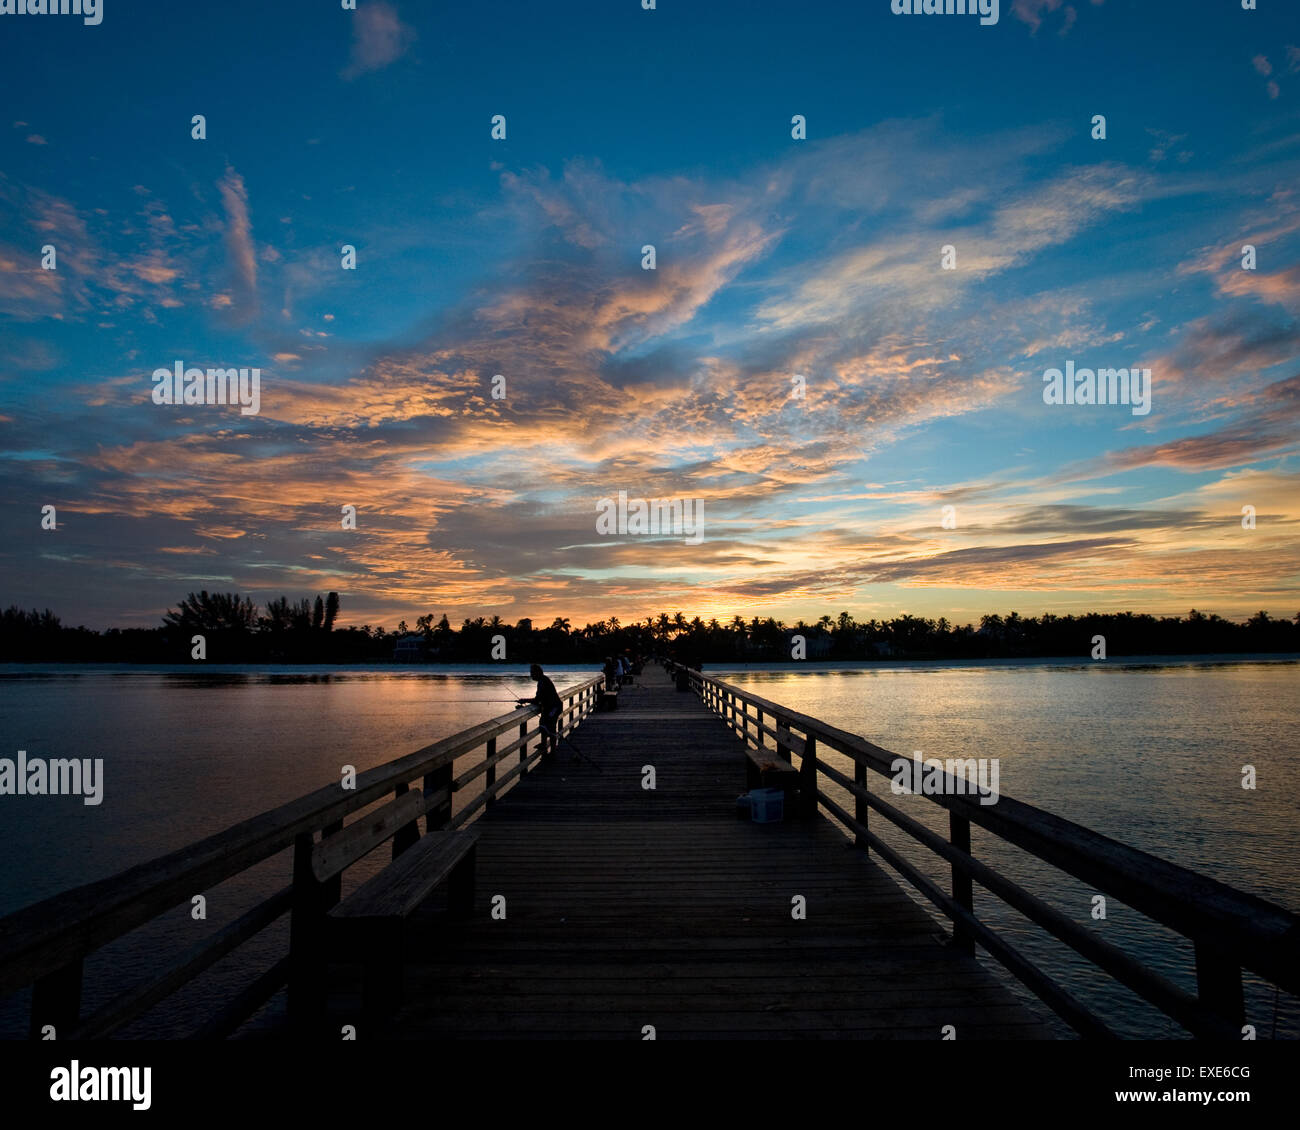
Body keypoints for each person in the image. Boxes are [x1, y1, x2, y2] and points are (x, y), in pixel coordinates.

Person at [518, 663, 563, 760]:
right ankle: (544, 745)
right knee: (543, 723)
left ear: (538, 673)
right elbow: (541, 699)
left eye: (532, 673)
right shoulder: (542, 681)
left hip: (554, 708)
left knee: (550, 727)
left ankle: (553, 753)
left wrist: (524, 700)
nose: (531, 675)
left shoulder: (543, 682)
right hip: (548, 708)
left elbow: (537, 699)